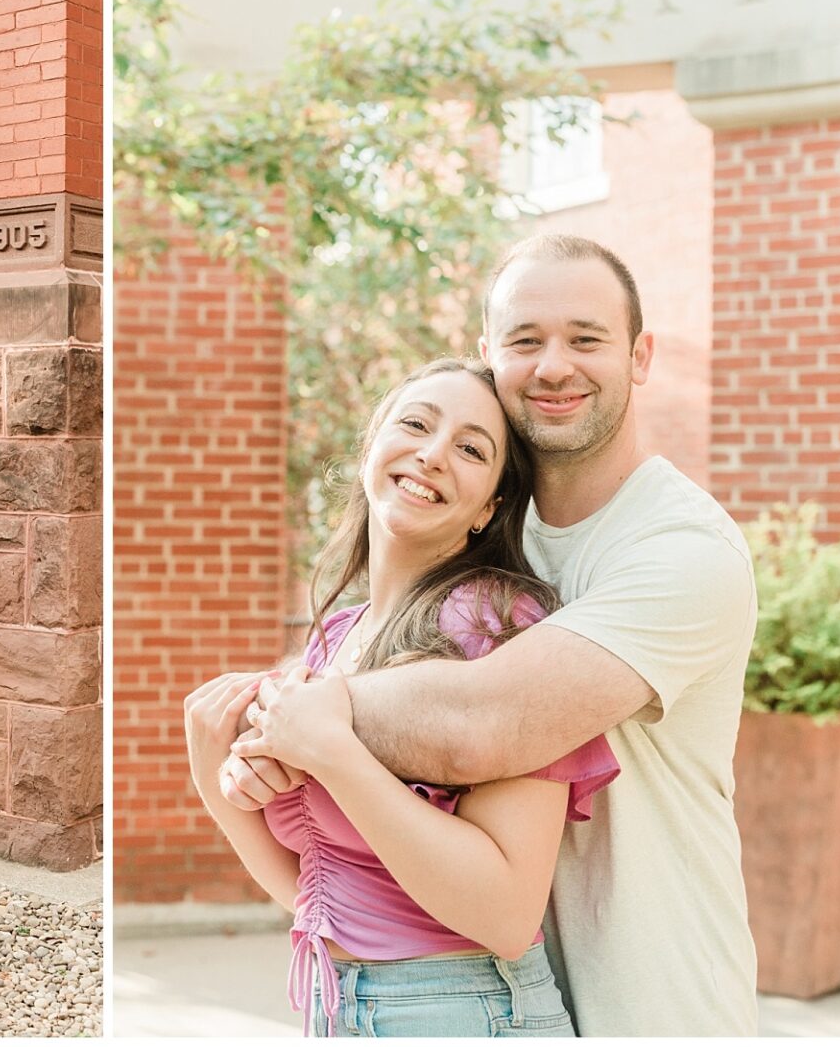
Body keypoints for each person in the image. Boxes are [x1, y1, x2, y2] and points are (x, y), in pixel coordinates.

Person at [224, 234, 758, 1035]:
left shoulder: (682, 552)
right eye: (524, 340)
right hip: (497, 982)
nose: (553, 366)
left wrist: (285, 714)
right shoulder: (490, 552)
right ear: (489, 355)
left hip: (657, 1003)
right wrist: (275, 715)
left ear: (640, 355)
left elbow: (481, 724)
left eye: (585, 338)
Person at [187, 357, 619, 1036]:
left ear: (491, 507)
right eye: (416, 422)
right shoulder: (335, 636)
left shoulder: (496, 624)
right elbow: (320, 896)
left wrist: (333, 752)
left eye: (471, 448)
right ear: (373, 445)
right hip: (337, 1006)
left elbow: (506, 913)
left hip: (462, 1007)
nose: (432, 452)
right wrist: (213, 781)